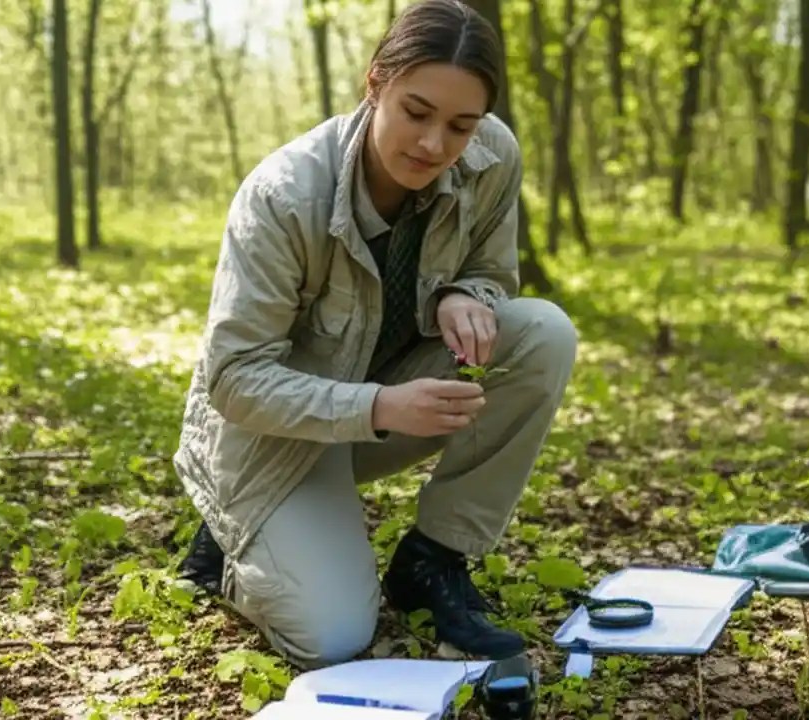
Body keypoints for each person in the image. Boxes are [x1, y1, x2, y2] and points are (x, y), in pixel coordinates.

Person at [172, 0, 577, 670]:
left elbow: (489, 271)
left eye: (460, 125)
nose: (434, 145)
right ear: (375, 83)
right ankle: (231, 535)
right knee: (332, 636)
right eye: (416, 112)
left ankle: (434, 559)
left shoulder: (492, 155)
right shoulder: (283, 196)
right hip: (273, 435)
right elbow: (233, 378)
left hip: (380, 407)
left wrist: (463, 295)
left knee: (542, 332)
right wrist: (381, 408)